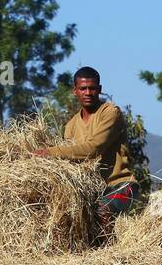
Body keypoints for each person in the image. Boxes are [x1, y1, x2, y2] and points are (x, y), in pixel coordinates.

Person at [32, 67, 138, 239]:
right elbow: (71, 162)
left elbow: (93, 148)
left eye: (92, 88)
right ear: (75, 91)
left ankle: (110, 258)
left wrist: (48, 152)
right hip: (93, 191)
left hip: (122, 186)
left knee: (102, 210)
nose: (88, 92)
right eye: (83, 88)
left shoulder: (110, 113)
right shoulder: (71, 126)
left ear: (100, 89)